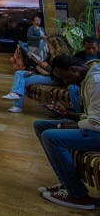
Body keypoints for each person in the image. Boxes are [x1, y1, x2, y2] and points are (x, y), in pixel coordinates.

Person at [33, 55, 100, 210]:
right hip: (95, 128)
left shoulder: (96, 82)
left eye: (65, 77)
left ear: (73, 70)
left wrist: (63, 126)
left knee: (51, 137)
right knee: (40, 126)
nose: (66, 82)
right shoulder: (88, 77)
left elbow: (96, 124)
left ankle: (78, 196)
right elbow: (93, 117)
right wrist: (67, 114)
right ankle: (66, 183)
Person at [2, 34, 71, 112]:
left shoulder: (61, 57)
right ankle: (15, 95)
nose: (47, 46)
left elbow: (54, 73)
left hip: (53, 79)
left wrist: (43, 66)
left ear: (54, 45)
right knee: (19, 73)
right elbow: (43, 67)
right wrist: (36, 65)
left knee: (23, 81)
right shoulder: (50, 55)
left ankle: (17, 104)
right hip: (46, 74)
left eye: (48, 44)